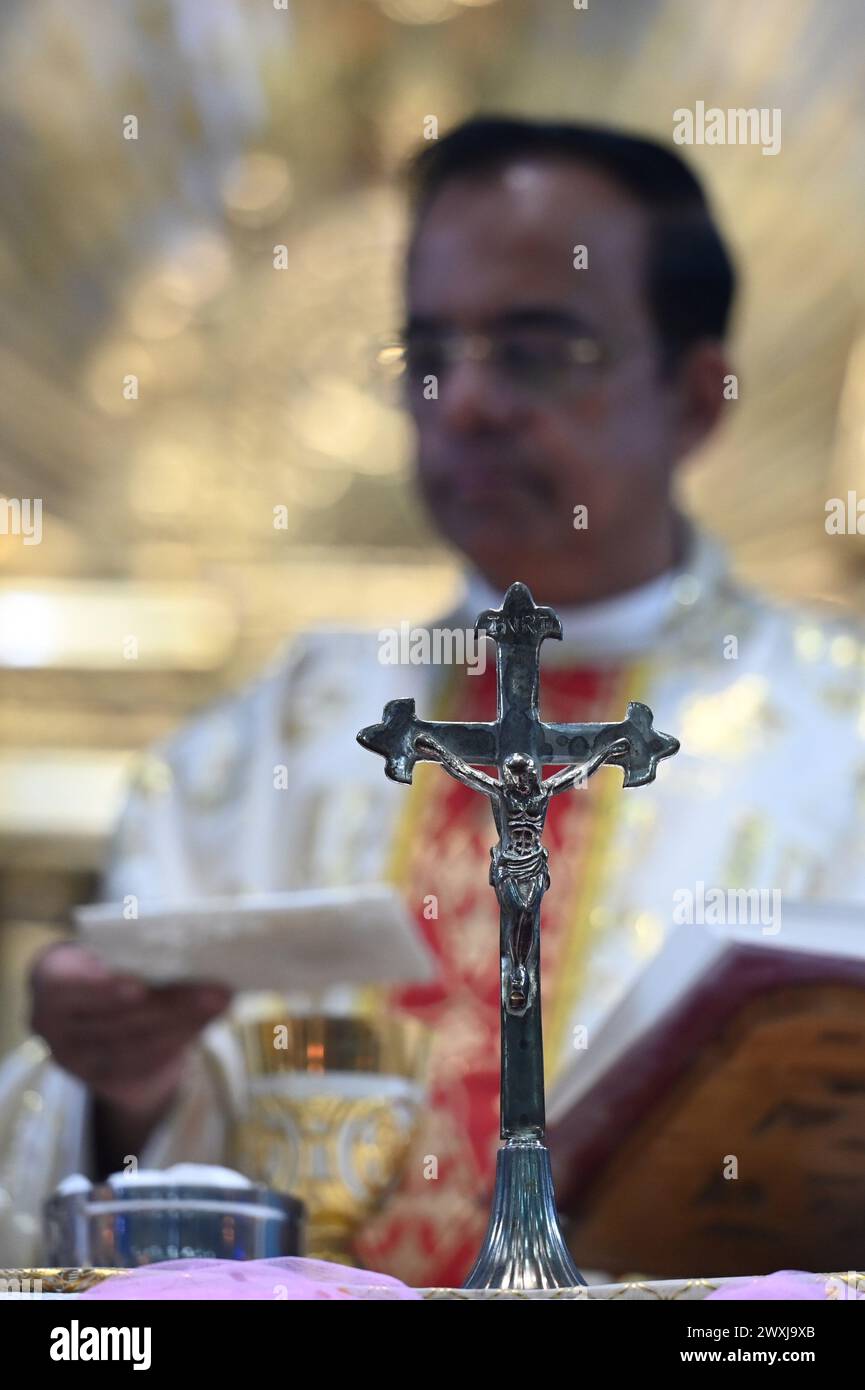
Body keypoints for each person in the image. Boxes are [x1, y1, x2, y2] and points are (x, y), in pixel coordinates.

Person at [3, 117, 865, 1286]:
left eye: (536, 351)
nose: (461, 404)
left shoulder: (839, 735)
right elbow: (121, 1213)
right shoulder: (275, 742)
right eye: (427, 357)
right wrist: (121, 1077)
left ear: (699, 397)